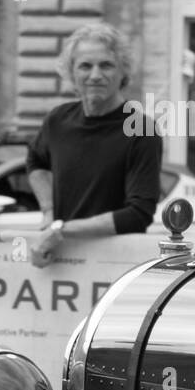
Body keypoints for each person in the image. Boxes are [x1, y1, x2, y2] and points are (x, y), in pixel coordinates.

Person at [26, 22, 161, 267]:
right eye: (85, 66)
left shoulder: (142, 129)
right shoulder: (57, 120)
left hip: (115, 269)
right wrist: (48, 211)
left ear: (123, 72)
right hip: (60, 267)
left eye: (106, 65)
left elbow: (138, 215)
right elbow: (35, 160)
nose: (95, 75)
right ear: (71, 73)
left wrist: (60, 230)